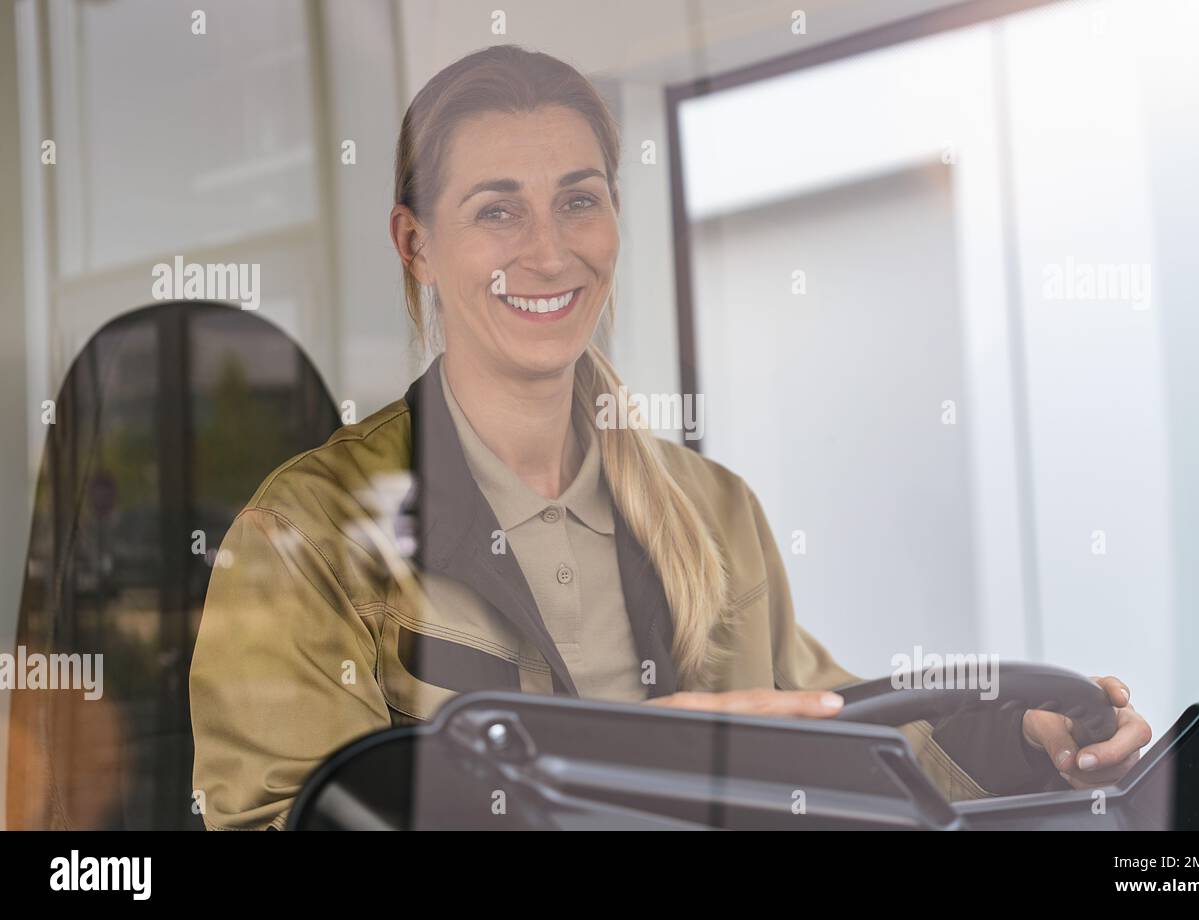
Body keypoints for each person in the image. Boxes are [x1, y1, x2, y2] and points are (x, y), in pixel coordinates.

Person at [189, 44, 1150, 830]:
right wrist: (638, 758)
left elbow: (839, 734)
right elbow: (292, 823)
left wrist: (1017, 743)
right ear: (417, 244)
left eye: (579, 198)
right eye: (496, 210)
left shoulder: (713, 509)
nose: (550, 251)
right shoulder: (302, 538)